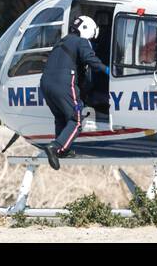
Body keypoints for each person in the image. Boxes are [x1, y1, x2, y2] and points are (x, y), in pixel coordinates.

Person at [39, 15, 110, 169]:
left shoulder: (61, 42)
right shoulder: (81, 42)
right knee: (76, 121)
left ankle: (62, 151)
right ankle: (54, 147)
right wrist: (108, 70)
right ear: (87, 30)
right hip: (63, 83)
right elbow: (91, 60)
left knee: (60, 116)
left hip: (45, 84)